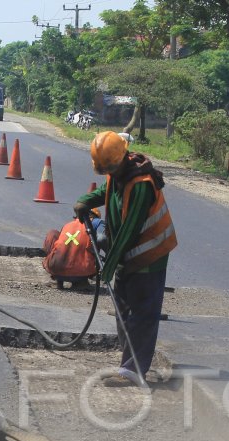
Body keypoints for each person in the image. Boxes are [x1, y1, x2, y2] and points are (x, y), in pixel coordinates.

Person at [73, 131, 177, 385]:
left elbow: (129, 231)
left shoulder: (140, 183)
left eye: (111, 168)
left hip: (148, 256)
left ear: (122, 159)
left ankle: (133, 370)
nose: (110, 172)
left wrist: (108, 266)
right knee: (123, 310)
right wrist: (85, 201)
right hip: (127, 255)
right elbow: (107, 192)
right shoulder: (119, 173)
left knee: (142, 314)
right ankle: (128, 362)